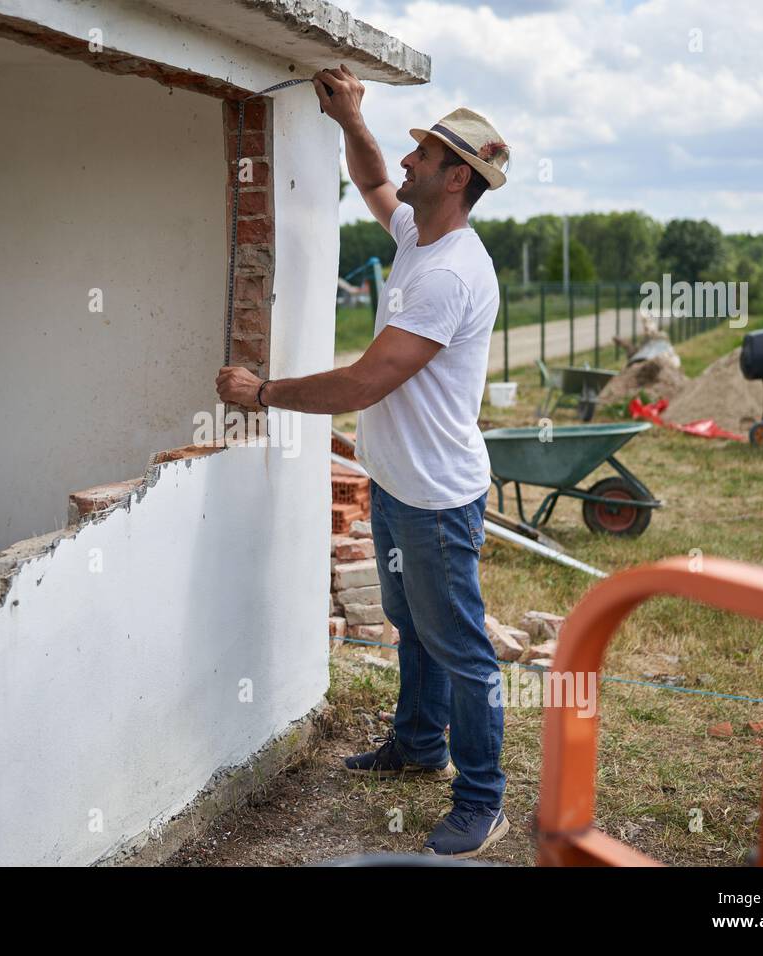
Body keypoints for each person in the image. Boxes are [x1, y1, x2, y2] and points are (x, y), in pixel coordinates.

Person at [215, 65, 510, 858]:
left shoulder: (449, 273)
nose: (408, 164)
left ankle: (483, 801)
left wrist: (263, 391)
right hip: (396, 484)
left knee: (463, 649)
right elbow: (376, 179)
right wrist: (351, 118)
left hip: (437, 498)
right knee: (411, 624)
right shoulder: (421, 234)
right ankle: (418, 743)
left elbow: (364, 379)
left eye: (427, 156)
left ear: (459, 177)